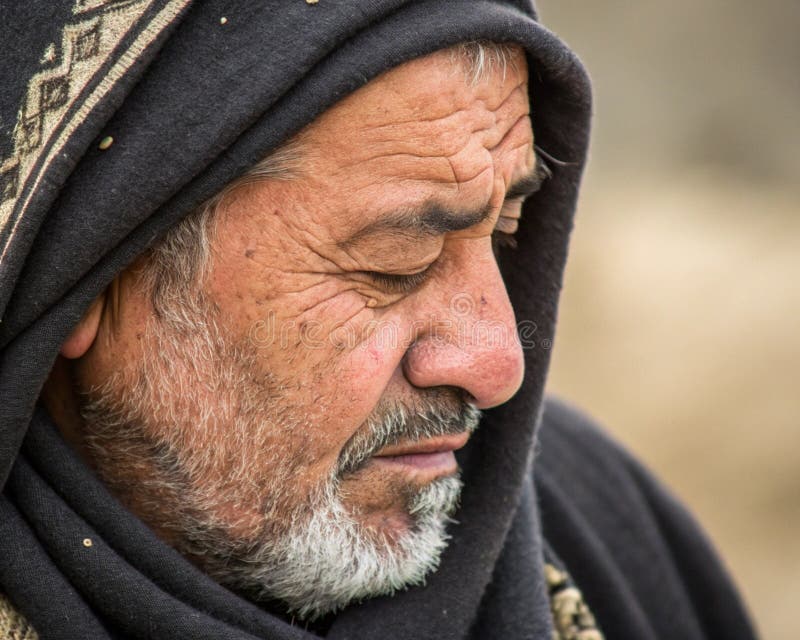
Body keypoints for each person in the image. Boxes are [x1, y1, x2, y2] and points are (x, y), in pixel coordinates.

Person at [0, 2, 757, 639]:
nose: (497, 366)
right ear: (88, 276)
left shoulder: (602, 523)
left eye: (507, 238)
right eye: (395, 264)